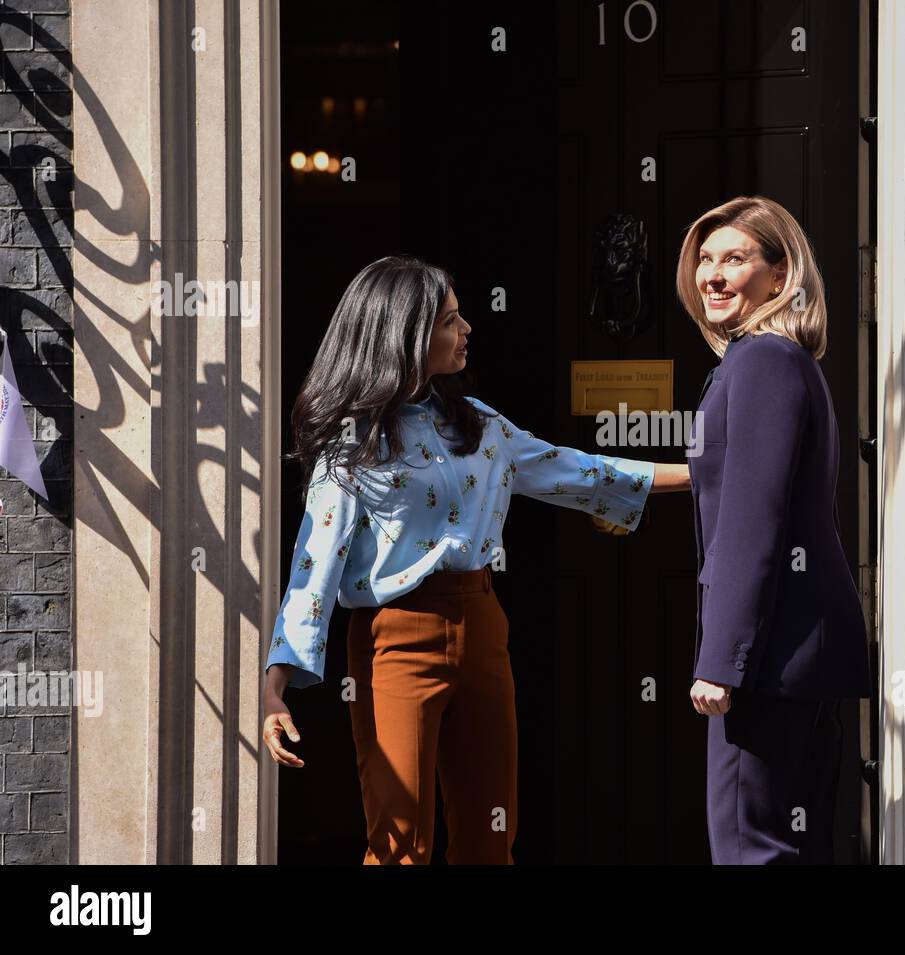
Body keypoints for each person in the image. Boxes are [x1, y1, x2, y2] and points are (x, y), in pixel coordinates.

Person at [261, 254, 690, 864]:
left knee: (491, 835)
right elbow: (316, 563)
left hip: (483, 625)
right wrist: (276, 685)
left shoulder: (481, 426)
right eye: (450, 321)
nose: (467, 331)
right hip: (392, 639)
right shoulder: (353, 445)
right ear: (404, 335)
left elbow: (580, 470)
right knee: (399, 840)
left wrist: (704, 474)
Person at [676, 196, 875, 864]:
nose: (713, 274)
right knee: (794, 846)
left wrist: (720, 658)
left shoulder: (760, 362)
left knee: (748, 849)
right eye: (705, 259)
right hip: (800, 652)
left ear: (780, 271)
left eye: (734, 258)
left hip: (766, 657)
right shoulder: (786, 364)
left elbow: (750, 520)